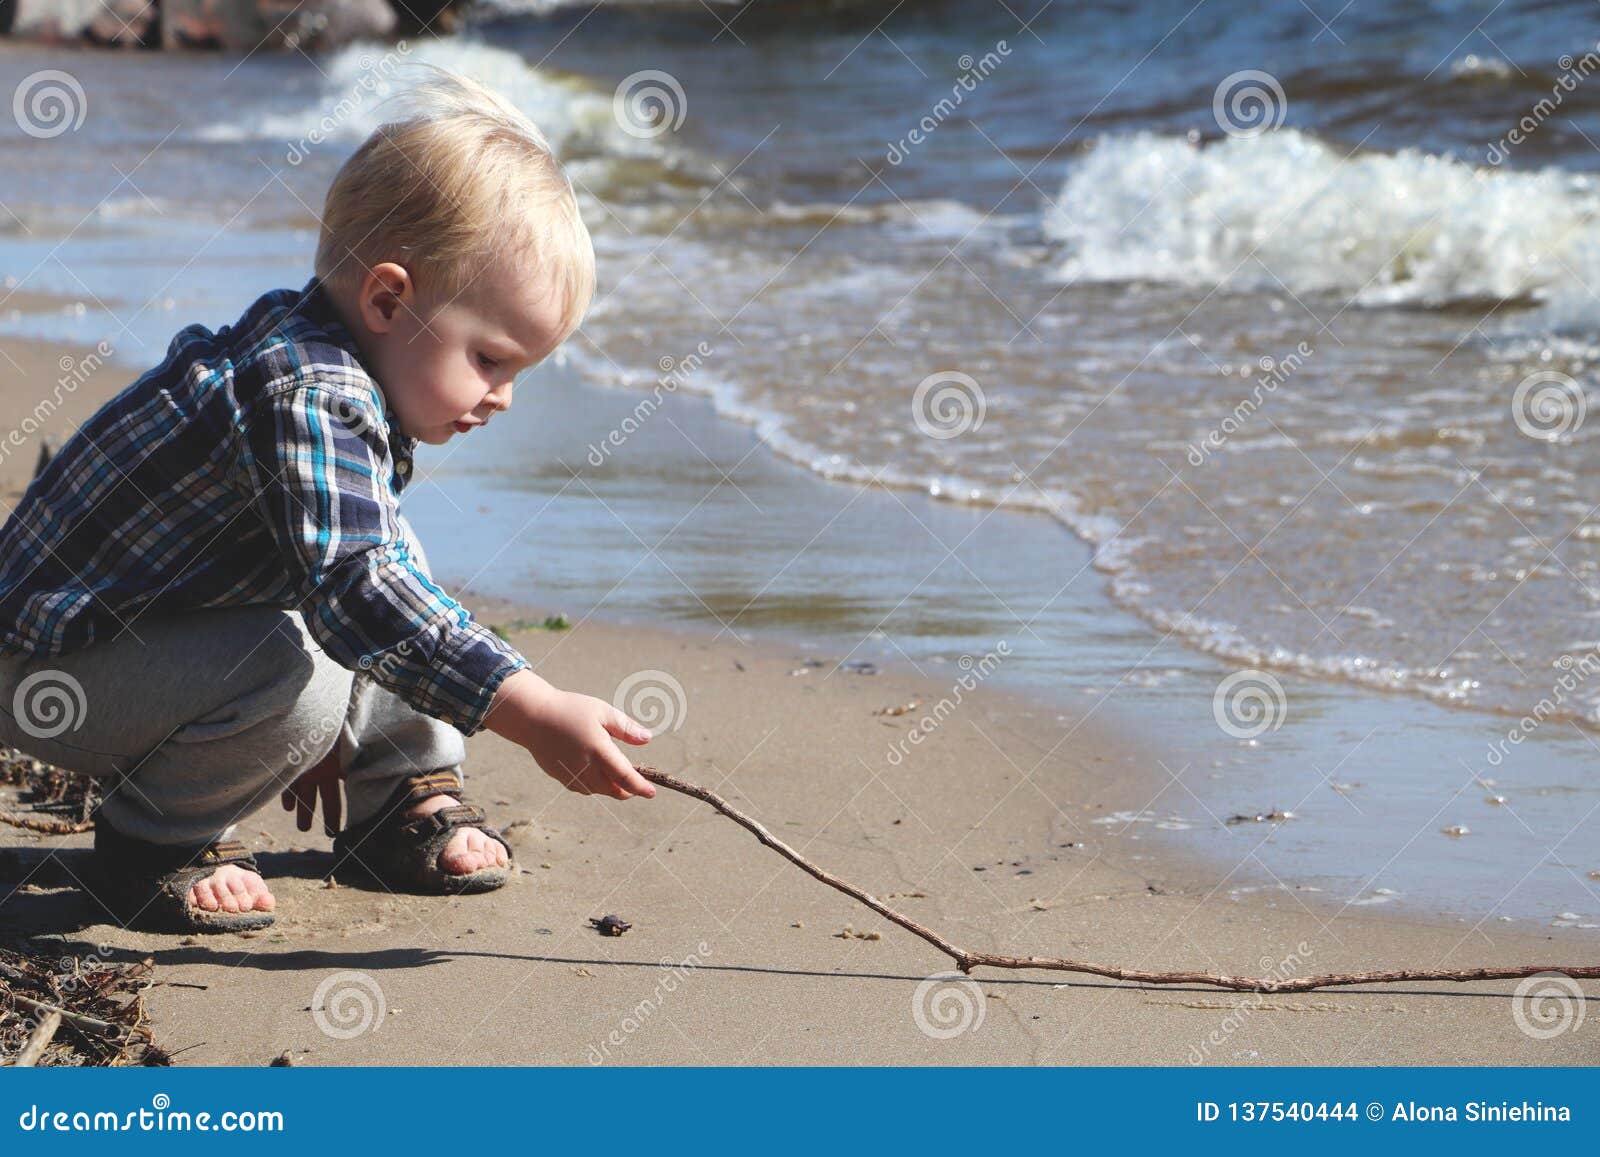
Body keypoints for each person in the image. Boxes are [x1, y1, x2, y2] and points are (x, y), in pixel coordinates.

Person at [0, 65, 655, 934]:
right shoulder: (305, 391)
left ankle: (397, 793)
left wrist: (330, 722)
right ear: (388, 298)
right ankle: (153, 838)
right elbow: (349, 586)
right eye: (491, 359)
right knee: (312, 658)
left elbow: (345, 564)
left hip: (159, 632)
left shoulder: (338, 370)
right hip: (52, 662)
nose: (502, 397)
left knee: (394, 559)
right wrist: (527, 708)